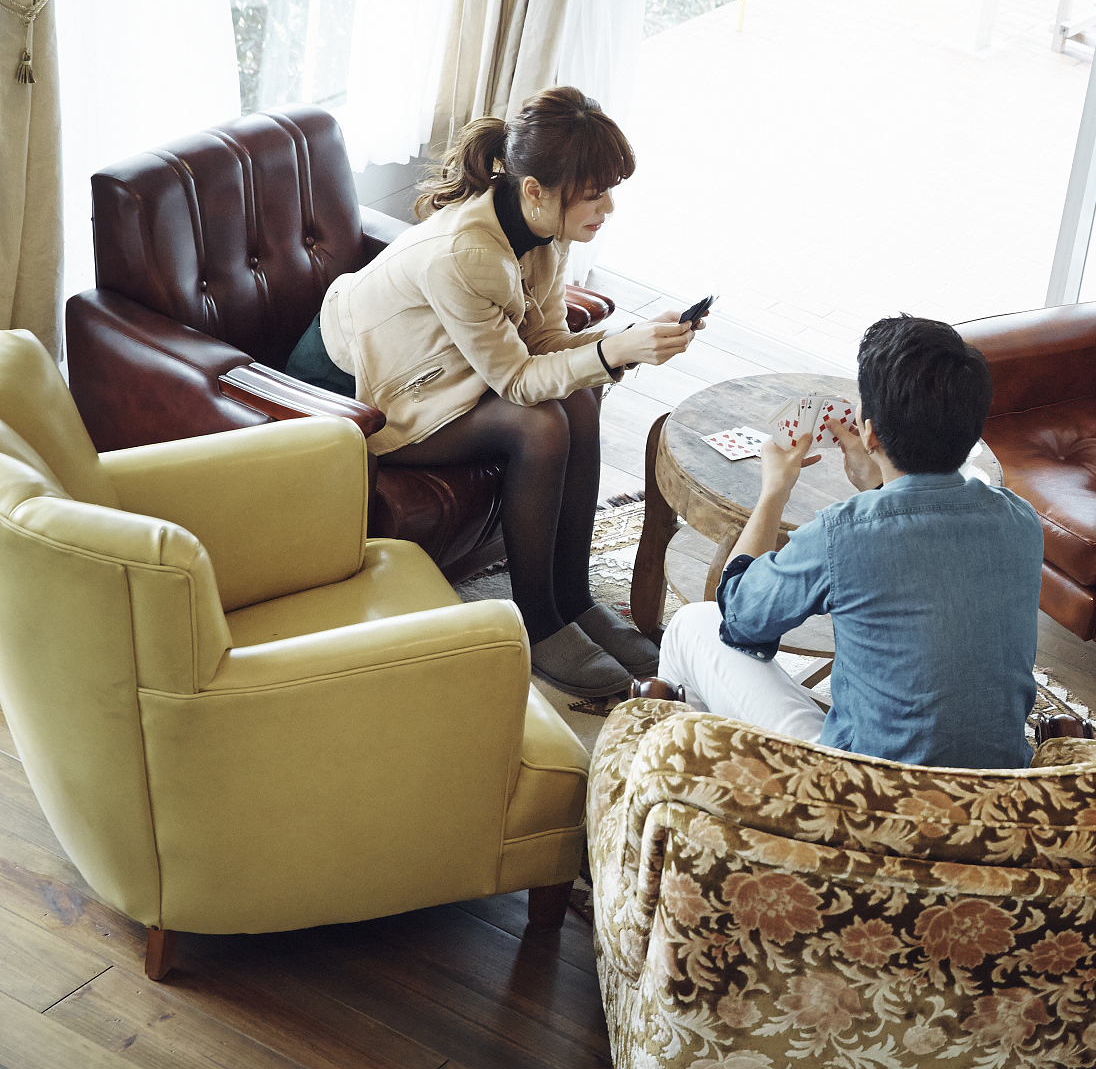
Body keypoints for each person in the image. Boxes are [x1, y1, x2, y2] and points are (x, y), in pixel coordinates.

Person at [287, 86, 698, 698]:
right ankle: (535, 623)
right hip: (359, 392)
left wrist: (629, 338)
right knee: (540, 422)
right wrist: (614, 353)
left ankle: (575, 600)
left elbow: (548, 339)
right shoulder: (466, 253)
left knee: (580, 400)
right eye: (594, 194)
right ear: (535, 189)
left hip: (436, 366)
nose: (608, 207)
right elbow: (517, 380)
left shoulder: (543, 233)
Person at [655, 315, 1043, 769]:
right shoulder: (1021, 520)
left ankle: (676, 782)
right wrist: (878, 488)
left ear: (870, 432)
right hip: (992, 792)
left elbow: (740, 618)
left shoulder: (844, 532)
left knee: (691, 625)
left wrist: (774, 489)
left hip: (868, 798)